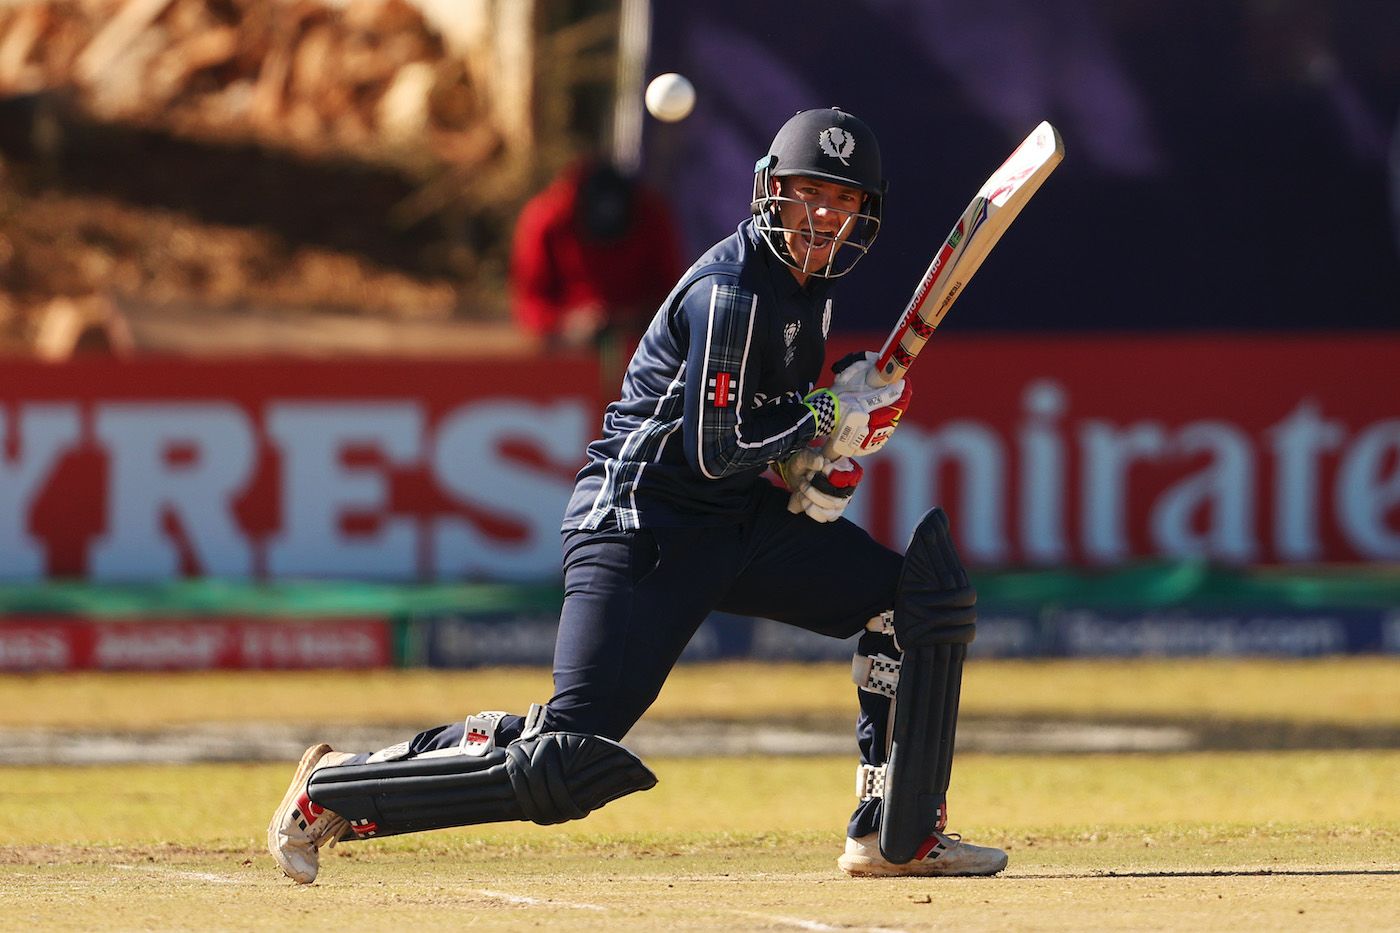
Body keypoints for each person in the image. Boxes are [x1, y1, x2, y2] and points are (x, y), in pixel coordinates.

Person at [268, 108, 1007, 882]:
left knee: (918, 599)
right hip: (640, 523)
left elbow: (764, 442)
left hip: (731, 524)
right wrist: (822, 415)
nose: (825, 215)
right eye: (809, 193)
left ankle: (897, 829)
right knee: (565, 761)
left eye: (844, 200)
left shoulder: (808, 293)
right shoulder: (732, 290)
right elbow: (715, 447)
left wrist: (823, 460)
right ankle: (336, 786)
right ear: (773, 192)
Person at [510, 156, 684, 381]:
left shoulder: (652, 215)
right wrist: (566, 324)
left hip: (643, 357)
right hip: (562, 361)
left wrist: (629, 320)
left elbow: (675, 298)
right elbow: (529, 305)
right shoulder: (545, 220)